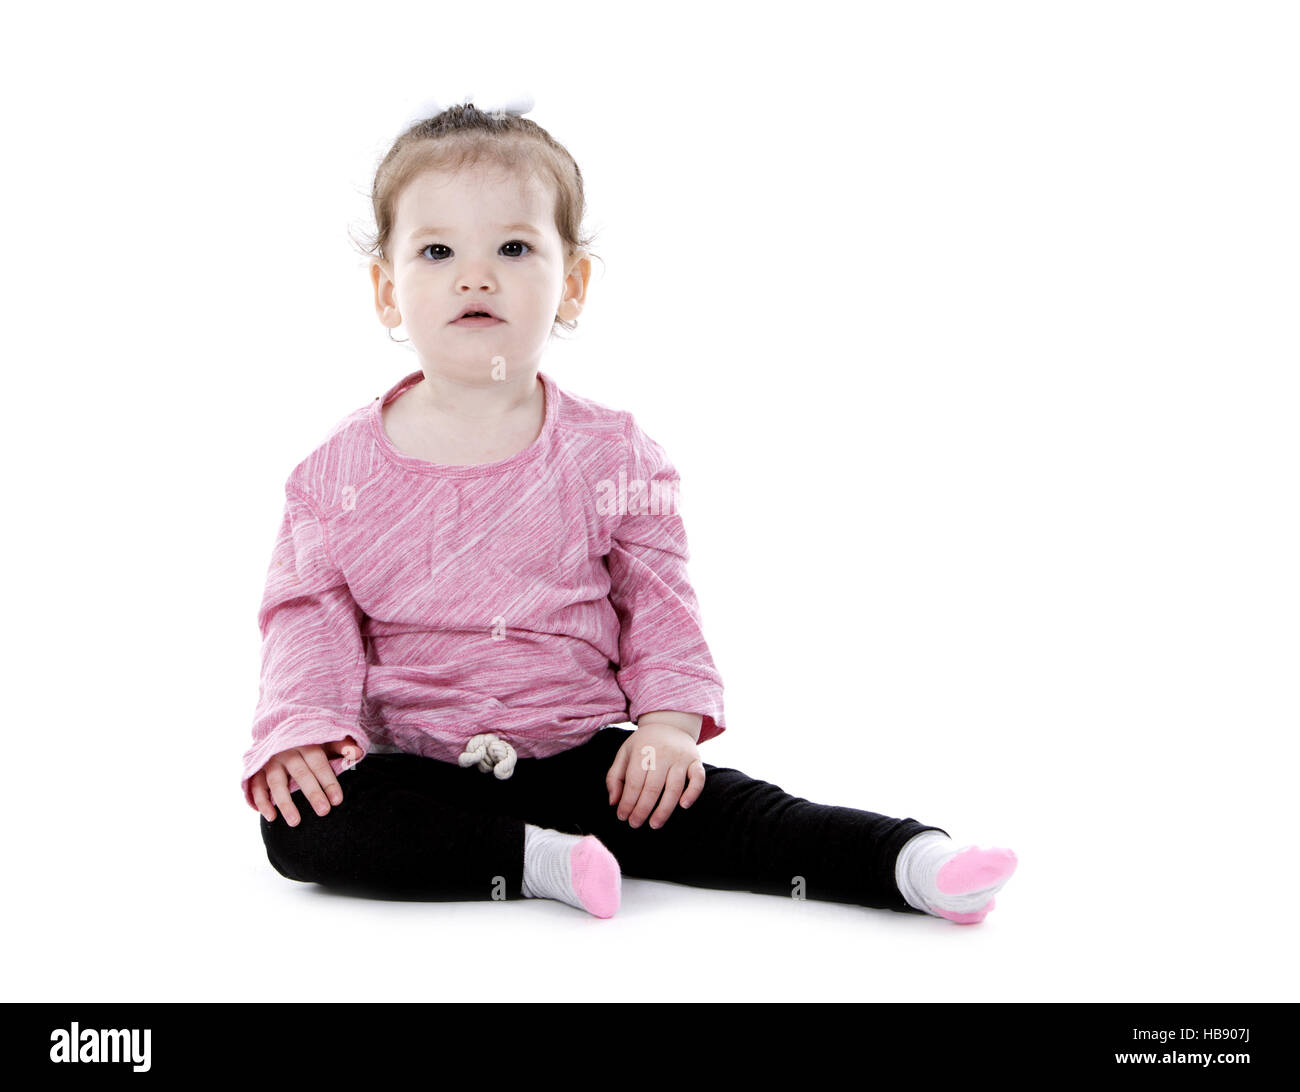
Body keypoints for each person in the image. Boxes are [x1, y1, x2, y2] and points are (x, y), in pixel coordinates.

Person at [239, 94, 1018, 924]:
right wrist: (301, 732)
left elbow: (659, 604)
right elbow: (306, 618)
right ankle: (537, 861)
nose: (475, 275)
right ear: (386, 291)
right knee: (299, 827)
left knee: (731, 814)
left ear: (570, 283)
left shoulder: (612, 454)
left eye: (512, 246)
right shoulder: (332, 474)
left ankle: (908, 863)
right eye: (436, 251)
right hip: (419, 767)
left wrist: (668, 730)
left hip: (583, 759)